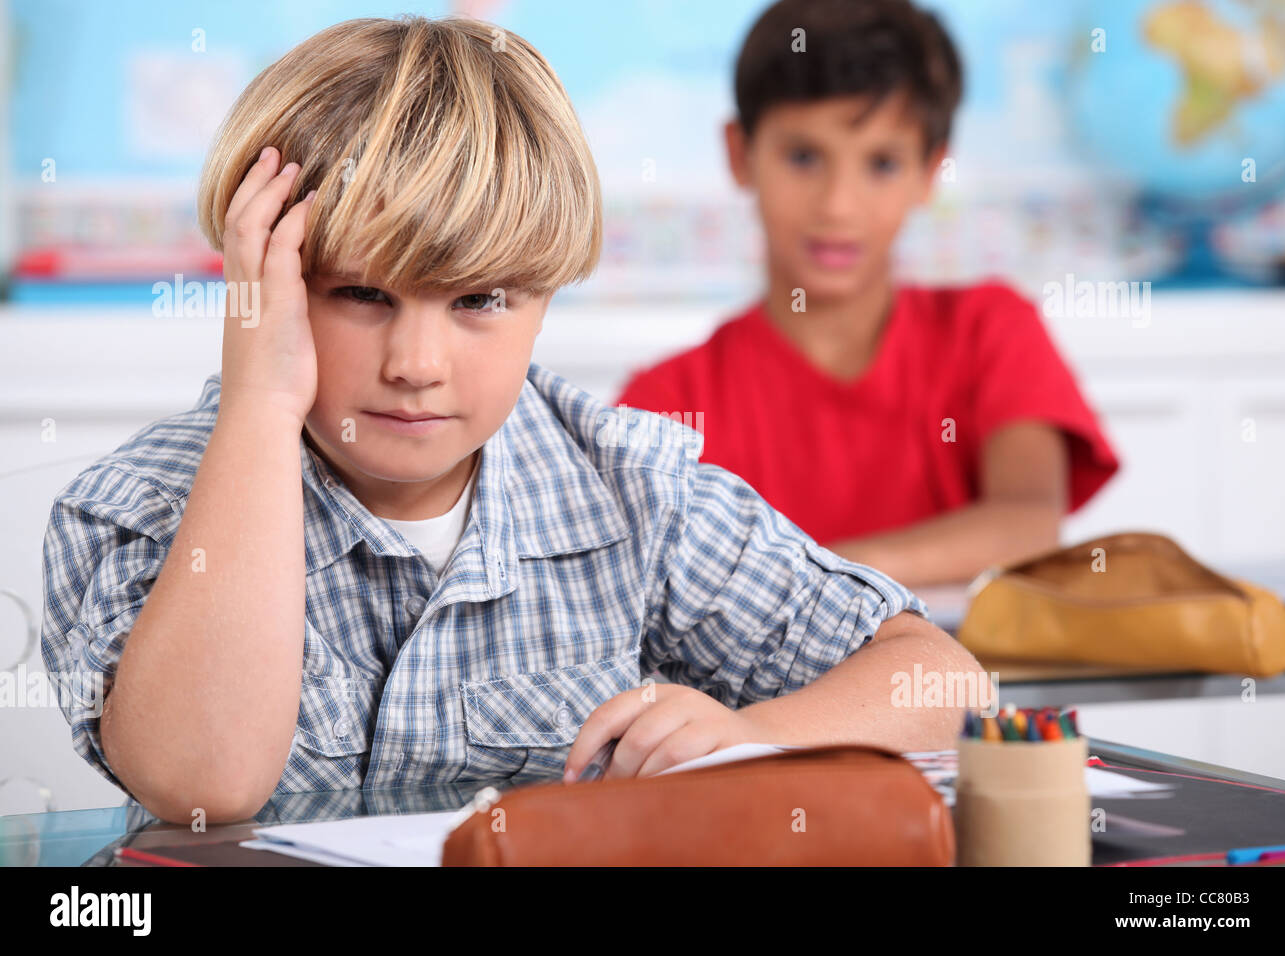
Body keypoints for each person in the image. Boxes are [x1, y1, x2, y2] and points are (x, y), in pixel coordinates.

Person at [40, 14, 982, 826]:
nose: (416, 365)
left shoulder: (629, 488)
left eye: (479, 301)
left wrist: (753, 735)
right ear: (268, 284)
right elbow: (206, 782)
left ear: (545, 295)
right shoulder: (138, 510)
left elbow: (945, 686)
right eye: (361, 293)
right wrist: (259, 400)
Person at [615, 0, 1121, 588]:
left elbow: (1028, 525)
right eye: (803, 157)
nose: (838, 206)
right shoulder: (667, 402)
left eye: (882, 163)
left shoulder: (990, 331)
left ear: (930, 173)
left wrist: (810, 575)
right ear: (739, 153)